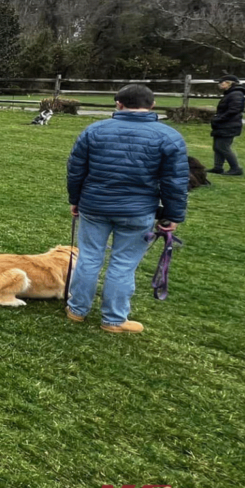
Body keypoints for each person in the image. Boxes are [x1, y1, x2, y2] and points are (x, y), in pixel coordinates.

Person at [66, 84, 188, 334]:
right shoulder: (168, 136)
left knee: (89, 258)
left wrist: (75, 198)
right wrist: (172, 215)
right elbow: (175, 181)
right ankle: (113, 319)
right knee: (122, 264)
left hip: (97, 205)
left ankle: (77, 310)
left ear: (118, 104)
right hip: (135, 211)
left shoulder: (94, 130)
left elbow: (76, 170)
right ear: (152, 105)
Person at [210, 74, 245, 176]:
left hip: (229, 125)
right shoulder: (230, 94)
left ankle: (236, 168)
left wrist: (219, 119)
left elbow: (234, 110)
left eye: (222, 82)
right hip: (223, 124)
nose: (220, 84)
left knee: (223, 147)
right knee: (217, 146)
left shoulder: (236, 94)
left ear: (229, 83)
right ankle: (218, 167)